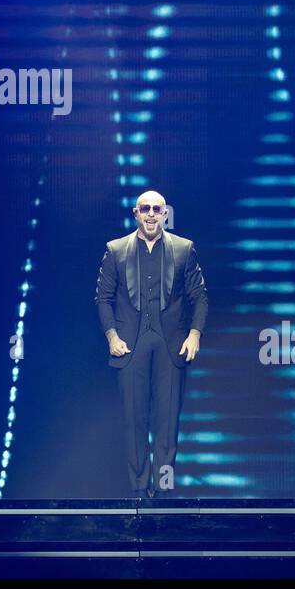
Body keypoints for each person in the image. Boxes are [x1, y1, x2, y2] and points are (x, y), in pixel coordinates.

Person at [95, 190, 208, 497]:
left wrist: (194, 334)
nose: (150, 214)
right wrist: (112, 336)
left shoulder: (184, 249)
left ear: (165, 214)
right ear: (135, 213)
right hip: (130, 345)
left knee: (167, 424)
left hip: (171, 344)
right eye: (145, 208)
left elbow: (199, 297)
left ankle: (165, 490)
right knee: (134, 423)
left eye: (156, 209)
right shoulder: (116, 250)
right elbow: (103, 298)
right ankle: (140, 491)